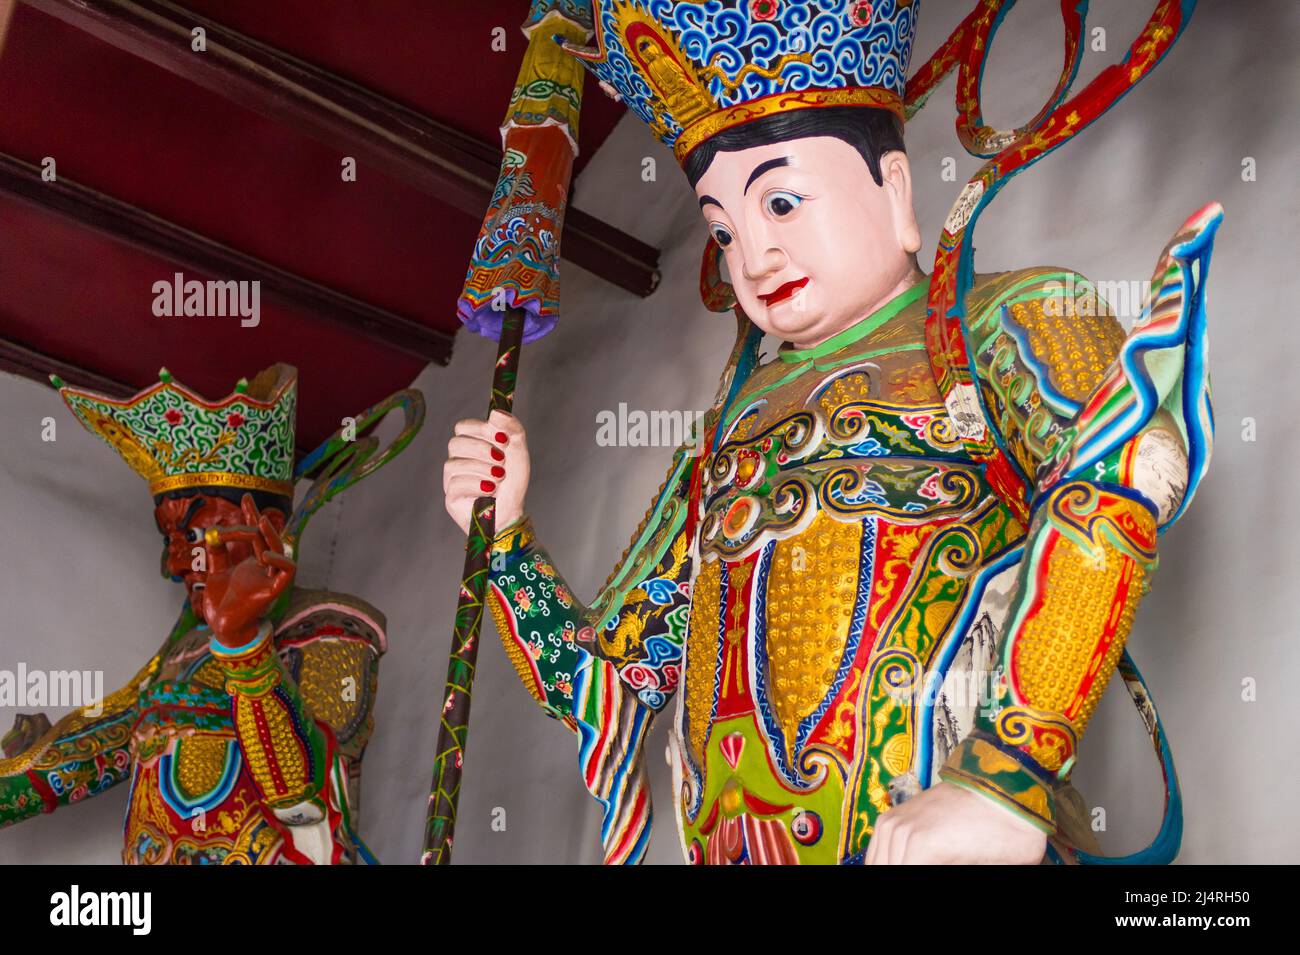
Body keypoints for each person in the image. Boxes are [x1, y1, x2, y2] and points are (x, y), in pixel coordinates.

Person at [443, 0, 1214, 864]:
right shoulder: (729, 430)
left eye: (781, 200)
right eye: (723, 228)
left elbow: (1123, 477)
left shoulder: (1010, 319)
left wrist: (1004, 778)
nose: (754, 256)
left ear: (894, 191)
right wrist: (505, 536)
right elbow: (613, 677)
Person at [0, 364, 417, 864]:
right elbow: (91, 758)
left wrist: (243, 644)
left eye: (197, 536)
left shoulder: (328, 626)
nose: (179, 561)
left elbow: (306, 803)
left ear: (268, 527)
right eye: (172, 541)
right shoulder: (181, 657)